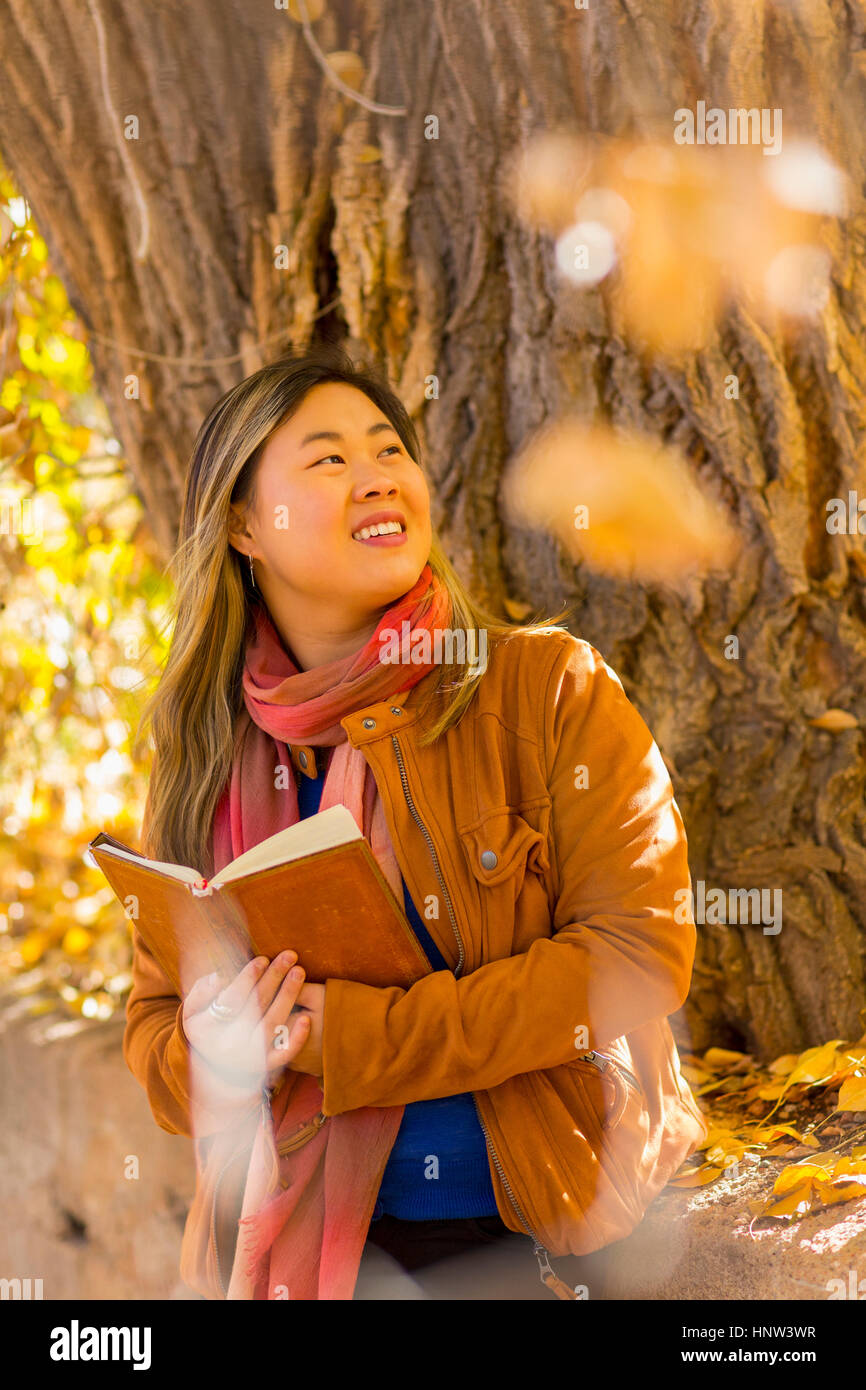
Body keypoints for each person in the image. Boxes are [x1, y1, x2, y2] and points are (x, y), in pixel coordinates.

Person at [123, 342, 708, 1301]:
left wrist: (360, 1037)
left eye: (390, 449)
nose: (377, 478)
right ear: (242, 525)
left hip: (530, 1242)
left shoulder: (545, 691)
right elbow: (154, 1039)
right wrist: (222, 1054)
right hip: (300, 1261)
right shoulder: (204, 758)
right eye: (328, 459)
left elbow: (638, 952)